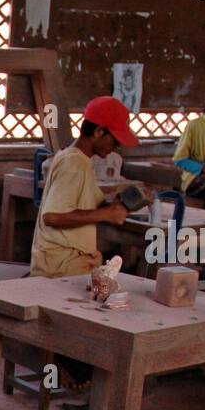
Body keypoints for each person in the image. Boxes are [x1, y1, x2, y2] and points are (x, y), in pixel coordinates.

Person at [31, 96, 139, 279]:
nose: (117, 147)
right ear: (98, 132)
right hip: (62, 269)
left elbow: (78, 205)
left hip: (66, 263)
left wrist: (112, 205)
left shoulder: (76, 158)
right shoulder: (74, 163)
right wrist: (107, 214)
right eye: (115, 140)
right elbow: (51, 217)